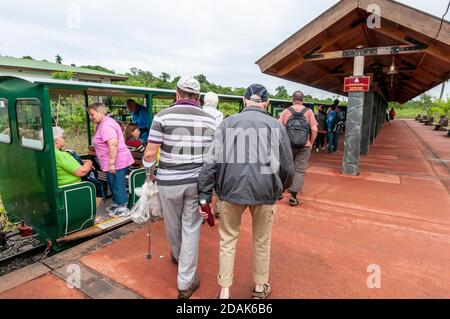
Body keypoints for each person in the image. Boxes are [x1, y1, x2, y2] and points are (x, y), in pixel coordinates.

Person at [198, 83, 294, 299]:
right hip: (265, 191)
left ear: (244, 101)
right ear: (266, 103)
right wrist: (280, 188)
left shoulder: (227, 124)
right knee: (262, 240)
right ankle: (259, 288)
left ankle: (224, 291)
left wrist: (204, 195)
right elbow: (287, 166)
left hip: (230, 190)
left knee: (227, 239)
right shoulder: (276, 126)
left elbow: (210, 162)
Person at [143, 76, 216, 299]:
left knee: (172, 224)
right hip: (196, 183)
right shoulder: (210, 120)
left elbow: (149, 154)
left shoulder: (162, 116)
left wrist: (149, 175)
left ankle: (177, 254)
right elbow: (213, 156)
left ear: (177, 93)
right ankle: (185, 282)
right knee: (191, 227)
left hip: (168, 182)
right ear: (198, 97)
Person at [87, 102, 134, 217]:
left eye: (92, 114)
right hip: (111, 161)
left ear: (100, 112)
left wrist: (112, 163)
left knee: (117, 183)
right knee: (112, 182)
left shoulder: (106, 125)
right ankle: (116, 204)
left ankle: (122, 207)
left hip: (116, 161)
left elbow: (113, 144)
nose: (91, 117)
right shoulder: (103, 123)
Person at [278, 91, 318, 206]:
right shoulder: (309, 111)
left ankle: (280, 192)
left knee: (284, 167)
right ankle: (293, 197)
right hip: (304, 146)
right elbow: (314, 129)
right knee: (299, 170)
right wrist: (311, 142)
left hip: (288, 145)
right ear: (303, 100)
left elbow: (279, 129)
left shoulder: (286, 111)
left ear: (292, 99)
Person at [53, 126, 103, 207]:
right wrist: (89, 162)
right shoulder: (60, 155)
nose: (64, 139)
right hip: (72, 185)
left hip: (60, 182)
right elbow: (82, 171)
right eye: (63, 137)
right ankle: (91, 212)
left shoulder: (52, 153)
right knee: (98, 185)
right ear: (56, 140)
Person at [201, 92, 224, 218]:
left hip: (199, 151)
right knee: (217, 179)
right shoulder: (218, 114)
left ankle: (202, 209)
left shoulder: (199, 111)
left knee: (201, 180)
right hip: (214, 150)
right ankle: (219, 209)